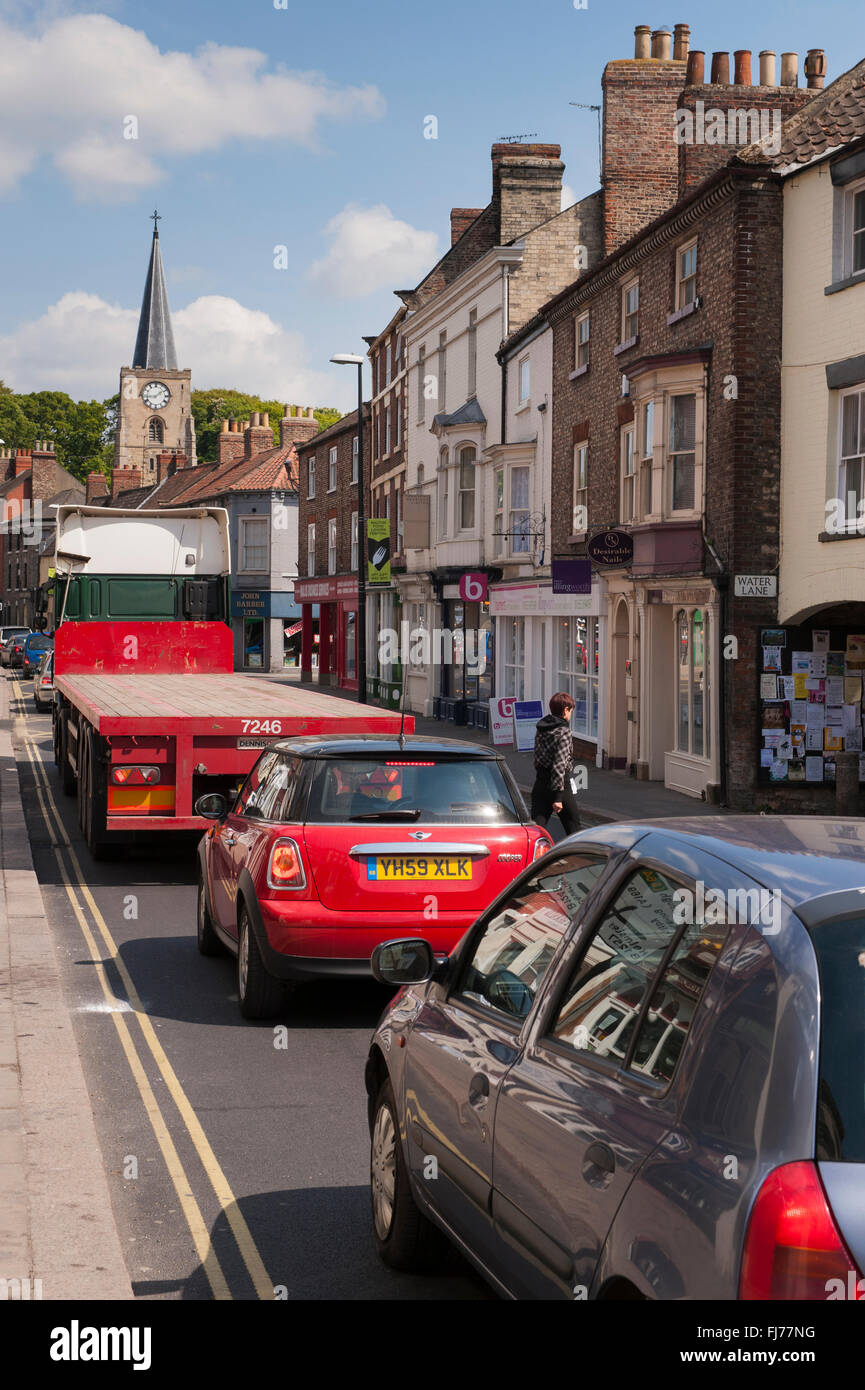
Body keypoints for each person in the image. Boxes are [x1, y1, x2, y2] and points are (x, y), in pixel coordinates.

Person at [531, 691, 581, 837]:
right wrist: (558, 797)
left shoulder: (541, 728)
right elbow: (559, 764)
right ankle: (576, 858)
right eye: (571, 711)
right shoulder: (564, 732)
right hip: (559, 786)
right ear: (566, 710)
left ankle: (533, 859)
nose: (571, 714)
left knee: (536, 829)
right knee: (574, 828)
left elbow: (537, 757)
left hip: (540, 783)